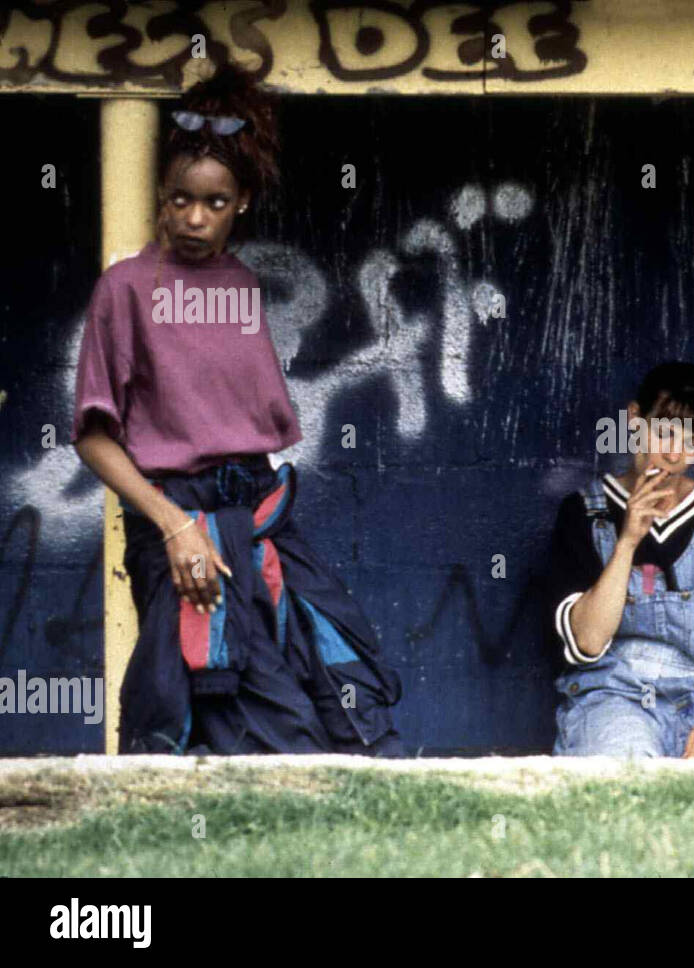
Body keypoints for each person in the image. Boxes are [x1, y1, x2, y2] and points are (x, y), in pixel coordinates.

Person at [72, 63, 402, 755]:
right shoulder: (126, 289)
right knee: (233, 721)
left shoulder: (242, 284)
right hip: (183, 525)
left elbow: (250, 429)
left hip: (258, 519)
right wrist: (175, 528)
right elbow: (95, 438)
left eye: (215, 202)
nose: (194, 218)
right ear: (161, 196)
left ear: (242, 201)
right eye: (179, 200)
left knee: (340, 692)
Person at [547, 362, 694, 757]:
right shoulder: (585, 512)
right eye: (663, 433)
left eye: (690, 441)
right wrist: (627, 541)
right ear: (634, 420)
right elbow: (587, 641)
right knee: (623, 778)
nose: (674, 454)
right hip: (614, 692)